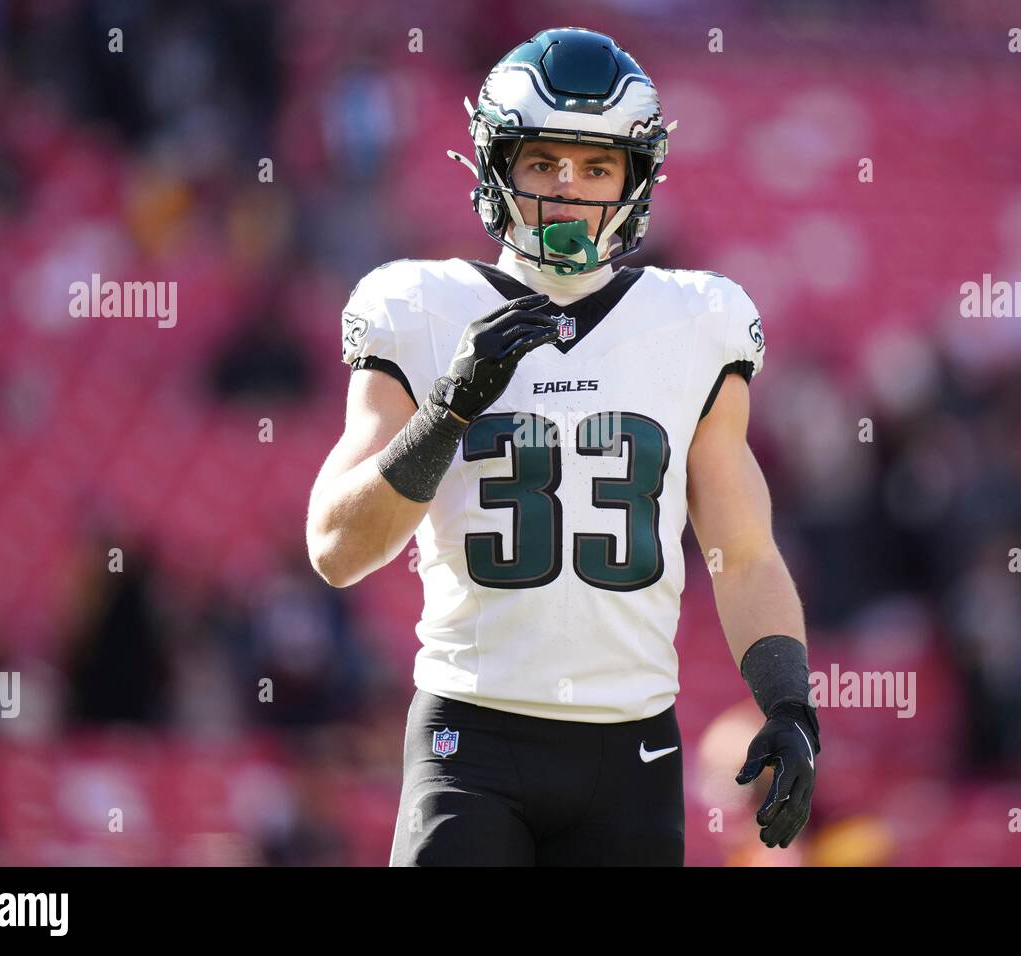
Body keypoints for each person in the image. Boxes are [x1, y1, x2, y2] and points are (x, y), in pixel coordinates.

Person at [306, 27, 819, 866]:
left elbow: (746, 552)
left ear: (636, 179)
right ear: (496, 168)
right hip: (469, 737)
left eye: (595, 166)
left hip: (633, 751)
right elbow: (335, 547)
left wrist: (790, 703)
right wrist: (448, 409)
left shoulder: (695, 322)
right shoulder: (419, 307)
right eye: (542, 163)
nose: (567, 191)